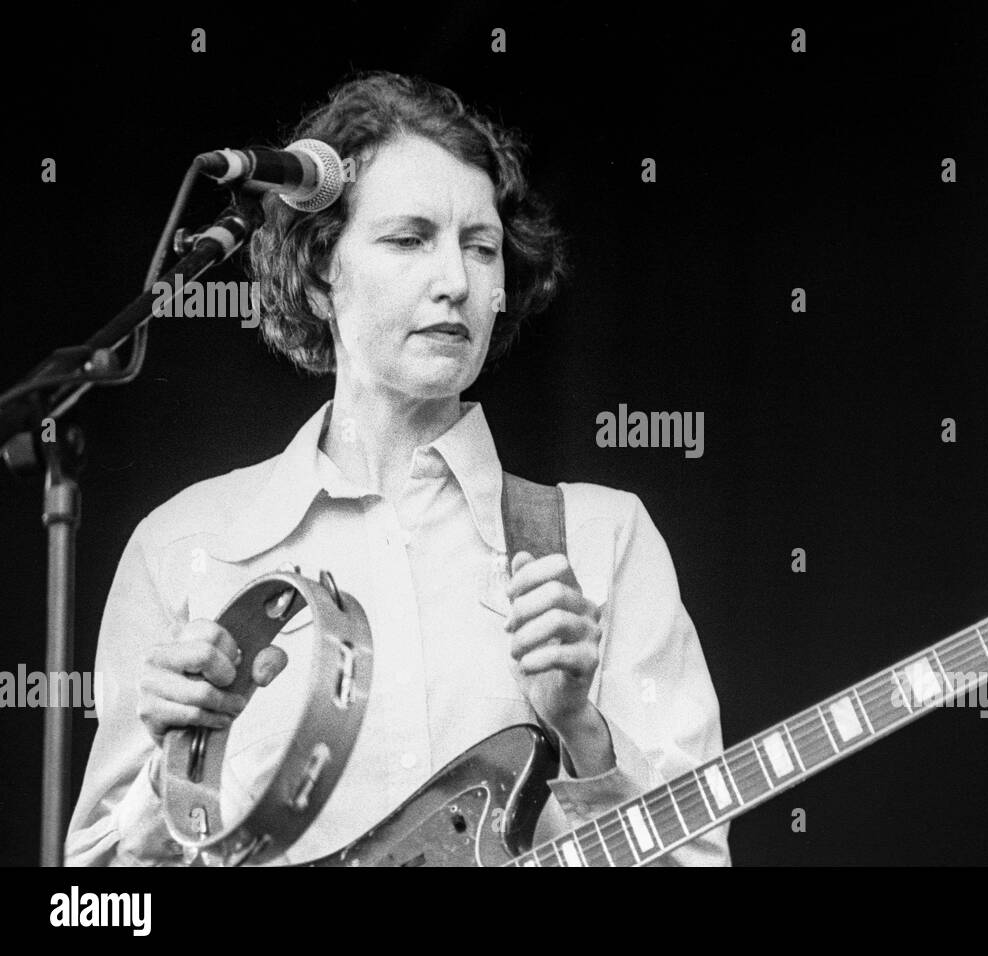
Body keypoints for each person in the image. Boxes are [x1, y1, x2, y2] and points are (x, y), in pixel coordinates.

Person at [65, 71, 729, 866]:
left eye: (480, 248)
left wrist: (585, 735)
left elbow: (699, 863)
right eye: (409, 239)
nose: (456, 280)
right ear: (319, 276)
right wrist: (171, 785)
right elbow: (94, 907)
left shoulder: (601, 537)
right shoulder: (184, 546)